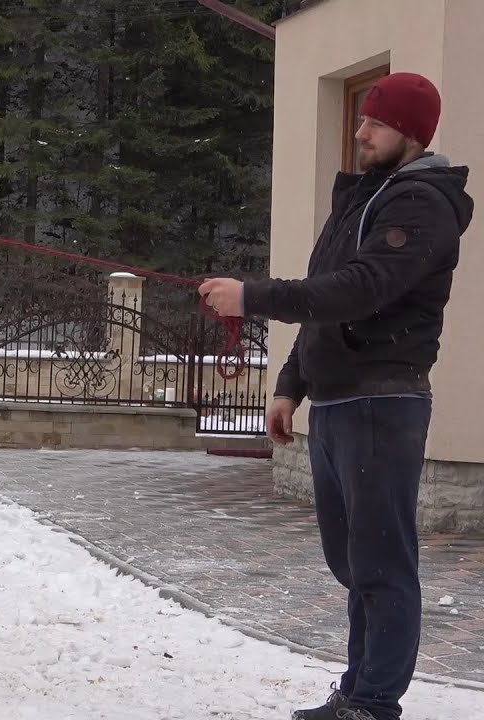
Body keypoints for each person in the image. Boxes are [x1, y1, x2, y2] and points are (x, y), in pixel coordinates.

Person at [198, 71, 473, 720]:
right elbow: (329, 296)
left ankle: (374, 704)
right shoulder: (365, 197)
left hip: (383, 402)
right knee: (353, 561)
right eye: (361, 120)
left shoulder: (421, 204)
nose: (359, 131)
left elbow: (361, 289)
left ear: (408, 131)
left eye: (373, 123)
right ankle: (358, 688)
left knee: (381, 563)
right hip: (339, 404)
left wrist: (253, 297)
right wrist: (291, 386)